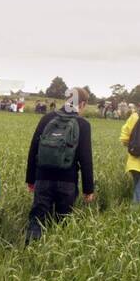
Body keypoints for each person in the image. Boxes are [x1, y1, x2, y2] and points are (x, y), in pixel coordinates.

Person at [24, 87, 94, 242]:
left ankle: (29, 253)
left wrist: (30, 179)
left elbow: (33, 149)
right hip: (67, 181)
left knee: (37, 219)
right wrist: (88, 189)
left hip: (42, 178)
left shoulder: (47, 118)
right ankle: (55, 255)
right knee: (62, 221)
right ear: (82, 103)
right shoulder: (83, 124)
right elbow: (86, 158)